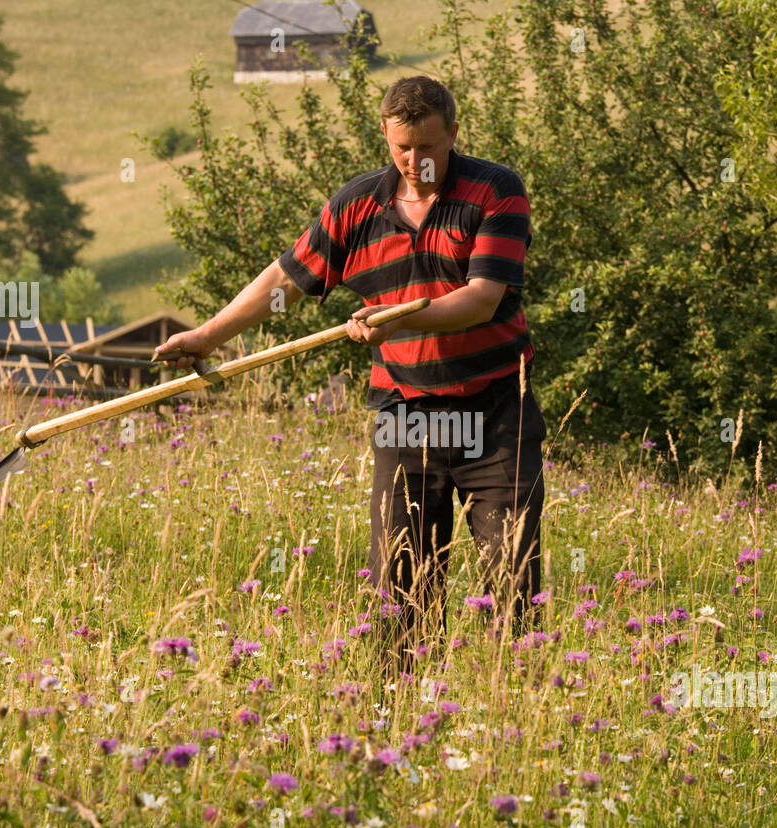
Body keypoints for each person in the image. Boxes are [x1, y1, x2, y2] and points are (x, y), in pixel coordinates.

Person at [153, 75, 546, 688]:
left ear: (455, 136)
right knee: (401, 585)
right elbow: (284, 280)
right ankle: (398, 713)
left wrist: (392, 320)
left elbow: (481, 299)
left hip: (496, 413)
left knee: (513, 578)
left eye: (430, 150)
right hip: (404, 413)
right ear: (385, 140)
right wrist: (208, 336)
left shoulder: (496, 190)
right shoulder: (356, 206)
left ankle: (517, 713)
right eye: (402, 150)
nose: (417, 164)